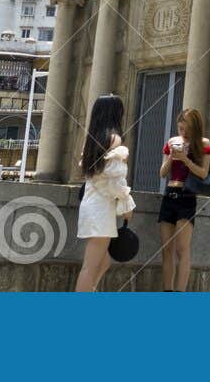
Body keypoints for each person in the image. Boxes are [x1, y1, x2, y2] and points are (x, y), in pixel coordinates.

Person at [76, 93, 134, 292]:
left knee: (103, 261)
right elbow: (115, 178)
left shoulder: (92, 140)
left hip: (91, 204)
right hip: (101, 207)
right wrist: (127, 203)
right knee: (90, 267)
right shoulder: (114, 139)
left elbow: (99, 177)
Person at [157, 108, 210, 292]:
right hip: (169, 194)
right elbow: (162, 173)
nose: (183, 133)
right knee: (166, 249)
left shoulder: (203, 144)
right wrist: (172, 157)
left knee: (182, 248)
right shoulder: (172, 142)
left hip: (186, 197)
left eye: (186, 129)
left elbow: (204, 173)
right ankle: (167, 290)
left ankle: (180, 292)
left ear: (194, 127)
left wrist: (186, 160)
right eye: (180, 128)